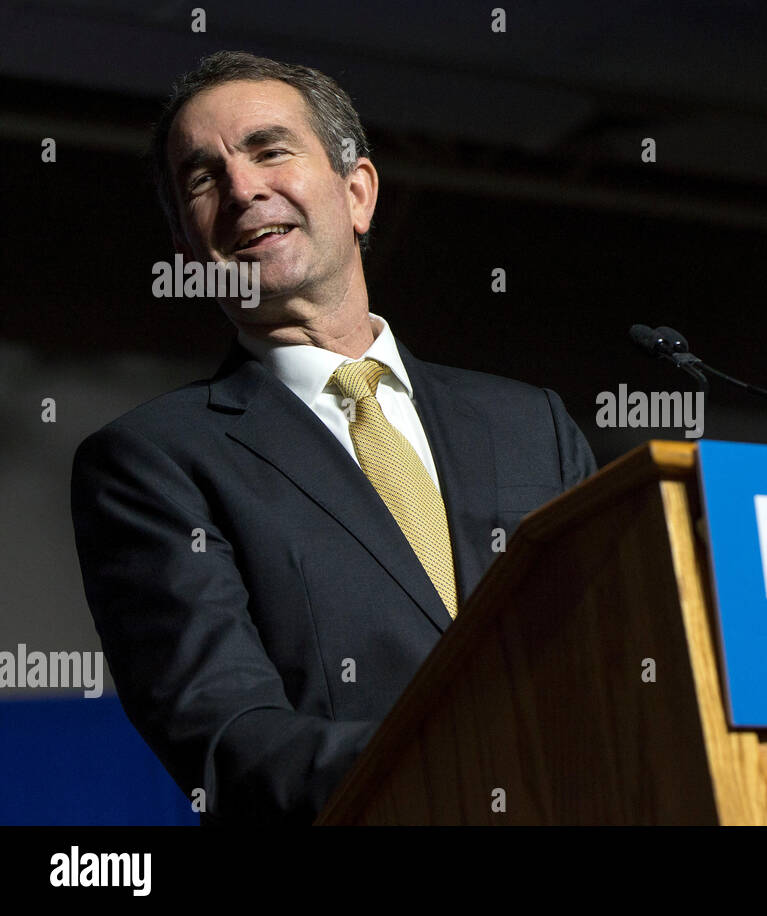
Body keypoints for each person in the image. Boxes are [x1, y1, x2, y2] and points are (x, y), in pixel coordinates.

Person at [70, 51, 597, 824]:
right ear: (188, 249)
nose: (242, 189)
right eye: (203, 178)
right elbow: (229, 739)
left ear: (358, 193)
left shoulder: (530, 425)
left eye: (269, 151)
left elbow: (616, 647)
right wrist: (473, 756)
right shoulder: (150, 463)